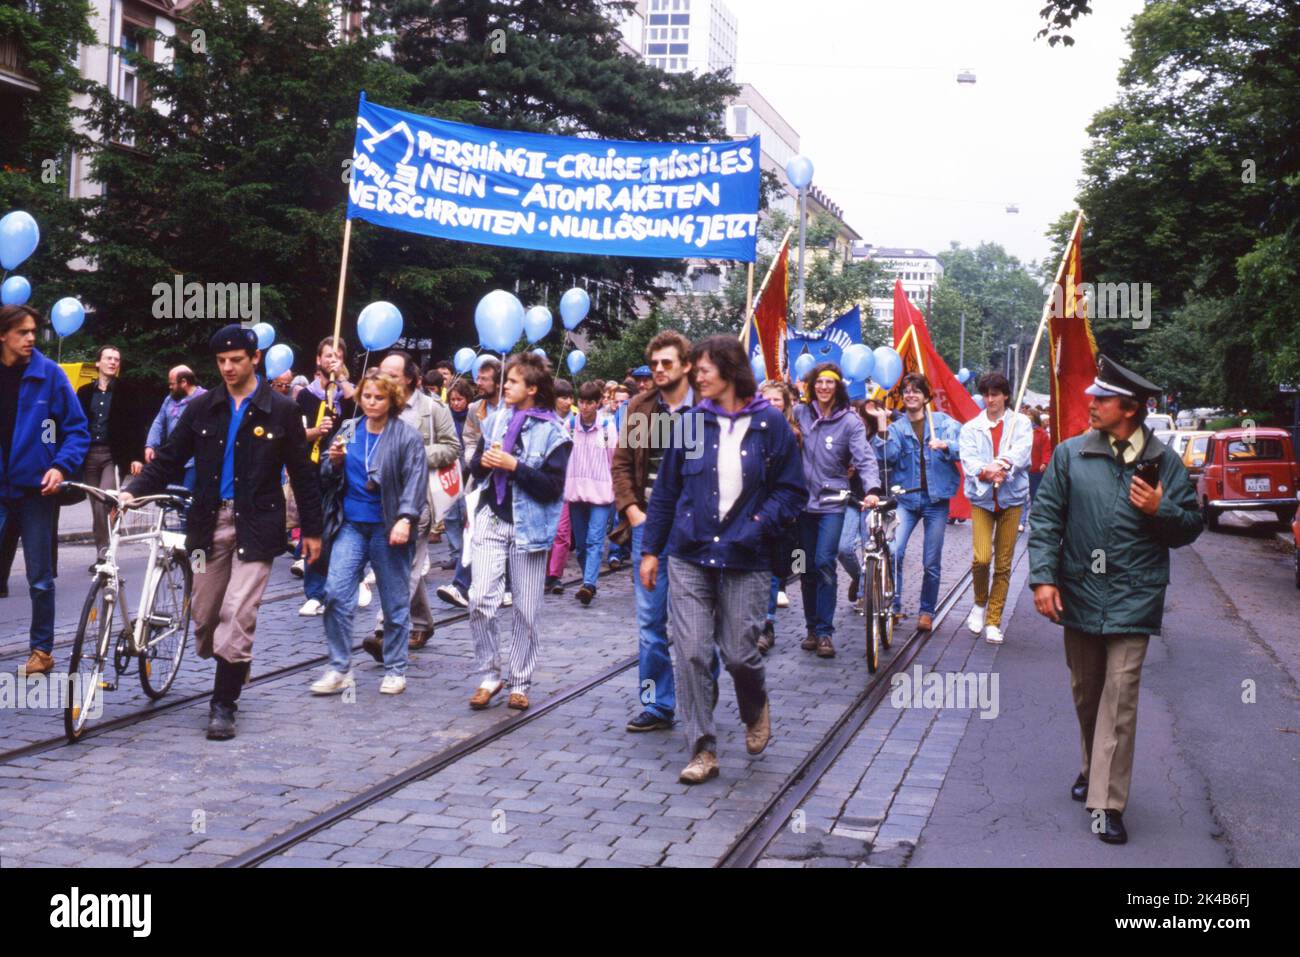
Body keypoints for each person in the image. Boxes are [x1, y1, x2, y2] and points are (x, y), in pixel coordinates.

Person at [1028, 356, 1203, 845]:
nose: (1091, 404)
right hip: (1080, 593)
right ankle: (1091, 766)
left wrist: (1160, 508)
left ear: (1128, 409)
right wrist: (1044, 579)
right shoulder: (1070, 455)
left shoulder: (1165, 461)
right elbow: (1046, 521)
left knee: (1119, 700)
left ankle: (1106, 802)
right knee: (1088, 694)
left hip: (1135, 596)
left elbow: (1190, 526)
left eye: (1101, 399)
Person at [124, 325, 323, 739]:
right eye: (221, 361)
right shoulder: (203, 408)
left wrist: (313, 530)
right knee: (205, 617)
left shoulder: (280, 410)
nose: (229, 368)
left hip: (258, 525)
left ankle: (223, 704)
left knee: (237, 612)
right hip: (207, 524)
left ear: (254, 359)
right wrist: (132, 492)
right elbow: (168, 459)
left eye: (236, 360)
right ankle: (235, 662)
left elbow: (303, 474)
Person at [641, 336, 805, 783]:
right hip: (690, 554)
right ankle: (702, 749)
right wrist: (651, 550)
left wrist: (759, 521)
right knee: (691, 652)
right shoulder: (690, 425)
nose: (697, 376)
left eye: (705, 370)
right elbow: (666, 494)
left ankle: (756, 706)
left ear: (730, 370)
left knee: (738, 655)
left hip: (747, 555)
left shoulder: (770, 424)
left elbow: (793, 490)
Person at [310, 369, 428, 697]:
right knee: (335, 591)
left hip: (388, 526)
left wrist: (406, 518)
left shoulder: (406, 436)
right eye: (367, 396)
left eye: (379, 397)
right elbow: (327, 478)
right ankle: (338, 667)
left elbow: (416, 480)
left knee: (393, 601)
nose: (372, 403)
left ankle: (395, 668)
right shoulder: (349, 429)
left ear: (393, 400)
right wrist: (333, 463)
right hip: (351, 524)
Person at [465, 353, 572, 712]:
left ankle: (520, 680)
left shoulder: (555, 431)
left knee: (526, 610)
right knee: (480, 599)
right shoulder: (495, 421)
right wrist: (483, 463)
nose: (505, 385)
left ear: (532, 388)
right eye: (505, 380)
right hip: (492, 518)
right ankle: (489, 674)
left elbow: (553, 487)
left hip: (529, 528)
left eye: (512, 381)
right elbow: (476, 467)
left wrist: (515, 466)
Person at [612, 331, 701, 731]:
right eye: (655, 364)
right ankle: (656, 703)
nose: (660, 371)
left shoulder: (706, 408)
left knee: (699, 624)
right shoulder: (641, 408)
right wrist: (631, 510)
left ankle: (702, 697)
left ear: (686, 364)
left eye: (668, 363)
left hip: (697, 532)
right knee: (650, 624)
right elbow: (622, 464)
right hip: (649, 529)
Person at [1, 305, 89, 676]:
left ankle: (42, 651)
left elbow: (76, 429)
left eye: (34, 331)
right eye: (22, 332)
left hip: (38, 491)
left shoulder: (48, 375)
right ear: (3, 335)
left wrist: (59, 466)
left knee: (39, 577)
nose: (31, 338)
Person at [360, 351, 461, 658]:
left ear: (409, 379)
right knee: (403, 564)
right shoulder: (376, 406)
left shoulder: (432, 409)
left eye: (392, 375)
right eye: (381, 373)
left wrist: (415, 455)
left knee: (402, 566)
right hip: (379, 500)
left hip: (418, 499)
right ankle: (421, 621)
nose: (384, 379)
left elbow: (452, 447)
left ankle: (385, 630)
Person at [792, 362, 880, 659]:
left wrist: (871, 490)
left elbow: (864, 457)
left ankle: (826, 632)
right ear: (811, 385)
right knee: (804, 566)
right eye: (819, 382)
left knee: (824, 561)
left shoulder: (850, 422)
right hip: (801, 504)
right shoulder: (800, 413)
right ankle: (811, 629)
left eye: (830, 382)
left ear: (838, 386)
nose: (824, 387)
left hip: (831, 503)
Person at [867, 374, 962, 631]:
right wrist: (882, 425)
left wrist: (945, 445)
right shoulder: (896, 427)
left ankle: (926, 611)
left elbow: (965, 447)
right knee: (894, 551)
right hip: (906, 499)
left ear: (925, 396)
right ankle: (893, 605)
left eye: (916, 391)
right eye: (907, 391)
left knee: (931, 561)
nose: (911, 395)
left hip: (936, 500)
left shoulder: (942, 422)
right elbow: (888, 457)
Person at [958, 372, 1033, 645]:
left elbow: (1022, 453)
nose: (990, 400)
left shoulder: (1021, 423)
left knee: (1003, 564)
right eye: (986, 395)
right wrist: (986, 471)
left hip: (1012, 500)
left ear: (1006, 396)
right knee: (981, 558)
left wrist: (1000, 465)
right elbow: (968, 460)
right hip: (982, 500)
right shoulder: (970, 428)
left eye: (995, 394)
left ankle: (993, 620)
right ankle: (979, 602)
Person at [296, 337, 355, 616]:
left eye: (338, 355)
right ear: (318, 360)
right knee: (315, 525)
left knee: (345, 525)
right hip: (313, 469)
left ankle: (346, 583)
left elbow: (360, 411)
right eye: (328, 355)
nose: (332, 359)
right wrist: (316, 431)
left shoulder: (347, 393)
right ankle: (315, 590)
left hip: (345, 467)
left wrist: (341, 378)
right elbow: (295, 436)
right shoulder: (305, 396)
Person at [438, 358, 504, 609]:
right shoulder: (477, 408)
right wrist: (474, 461)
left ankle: (503, 586)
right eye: (478, 377)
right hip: (479, 479)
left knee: (499, 535)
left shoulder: (512, 408)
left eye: (484, 378)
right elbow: (469, 439)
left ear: (497, 382)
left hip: (507, 481)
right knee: (472, 529)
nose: (478, 382)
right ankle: (461, 585)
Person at [77, 345, 146, 564]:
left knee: (103, 501)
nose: (113, 362)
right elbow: (76, 423)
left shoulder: (127, 391)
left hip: (113, 455)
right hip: (89, 455)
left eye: (117, 359)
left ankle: (104, 554)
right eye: (108, 358)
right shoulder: (85, 392)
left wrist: (137, 456)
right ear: (98, 363)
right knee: (95, 507)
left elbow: (137, 425)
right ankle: (103, 550)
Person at [563, 381, 619, 605]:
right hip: (576, 491)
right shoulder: (569, 426)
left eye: (590, 403)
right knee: (581, 545)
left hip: (601, 491)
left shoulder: (606, 425)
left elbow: (613, 456)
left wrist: (615, 483)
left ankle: (588, 584)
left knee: (595, 539)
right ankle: (589, 578)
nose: (585, 407)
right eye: (582, 402)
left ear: (598, 403)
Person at [757, 379, 801, 652]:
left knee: (773, 567)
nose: (772, 404)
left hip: (778, 508)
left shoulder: (792, 433)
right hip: (751, 506)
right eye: (766, 399)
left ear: (785, 404)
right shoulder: (748, 428)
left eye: (777, 399)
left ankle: (767, 624)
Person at [144, 366, 206, 490]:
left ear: (184, 382)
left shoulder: (205, 399)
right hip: (173, 459)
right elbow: (159, 422)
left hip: (194, 463)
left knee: (186, 500)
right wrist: (150, 445)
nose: (170, 387)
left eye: (172, 383)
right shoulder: (170, 399)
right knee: (169, 499)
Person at [441, 376, 475, 570]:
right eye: (452, 400)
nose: (455, 404)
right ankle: (455, 552)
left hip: (468, 467)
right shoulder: (446, 416)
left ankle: (468, 554)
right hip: (450, 465)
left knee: (466, 511)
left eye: (459, 399)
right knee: (450, 513)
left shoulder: (473, 414)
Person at [1025, 411, 1053, 532]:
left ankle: (1035, 521)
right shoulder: (1021, 432)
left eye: (1030, 416)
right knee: (1020, 497)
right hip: (1021, 469)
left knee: (1035, 496)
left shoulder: (1042, 434)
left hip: (1035, 470)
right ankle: (1020, 521)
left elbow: (1046, 450)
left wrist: (1045, 462)